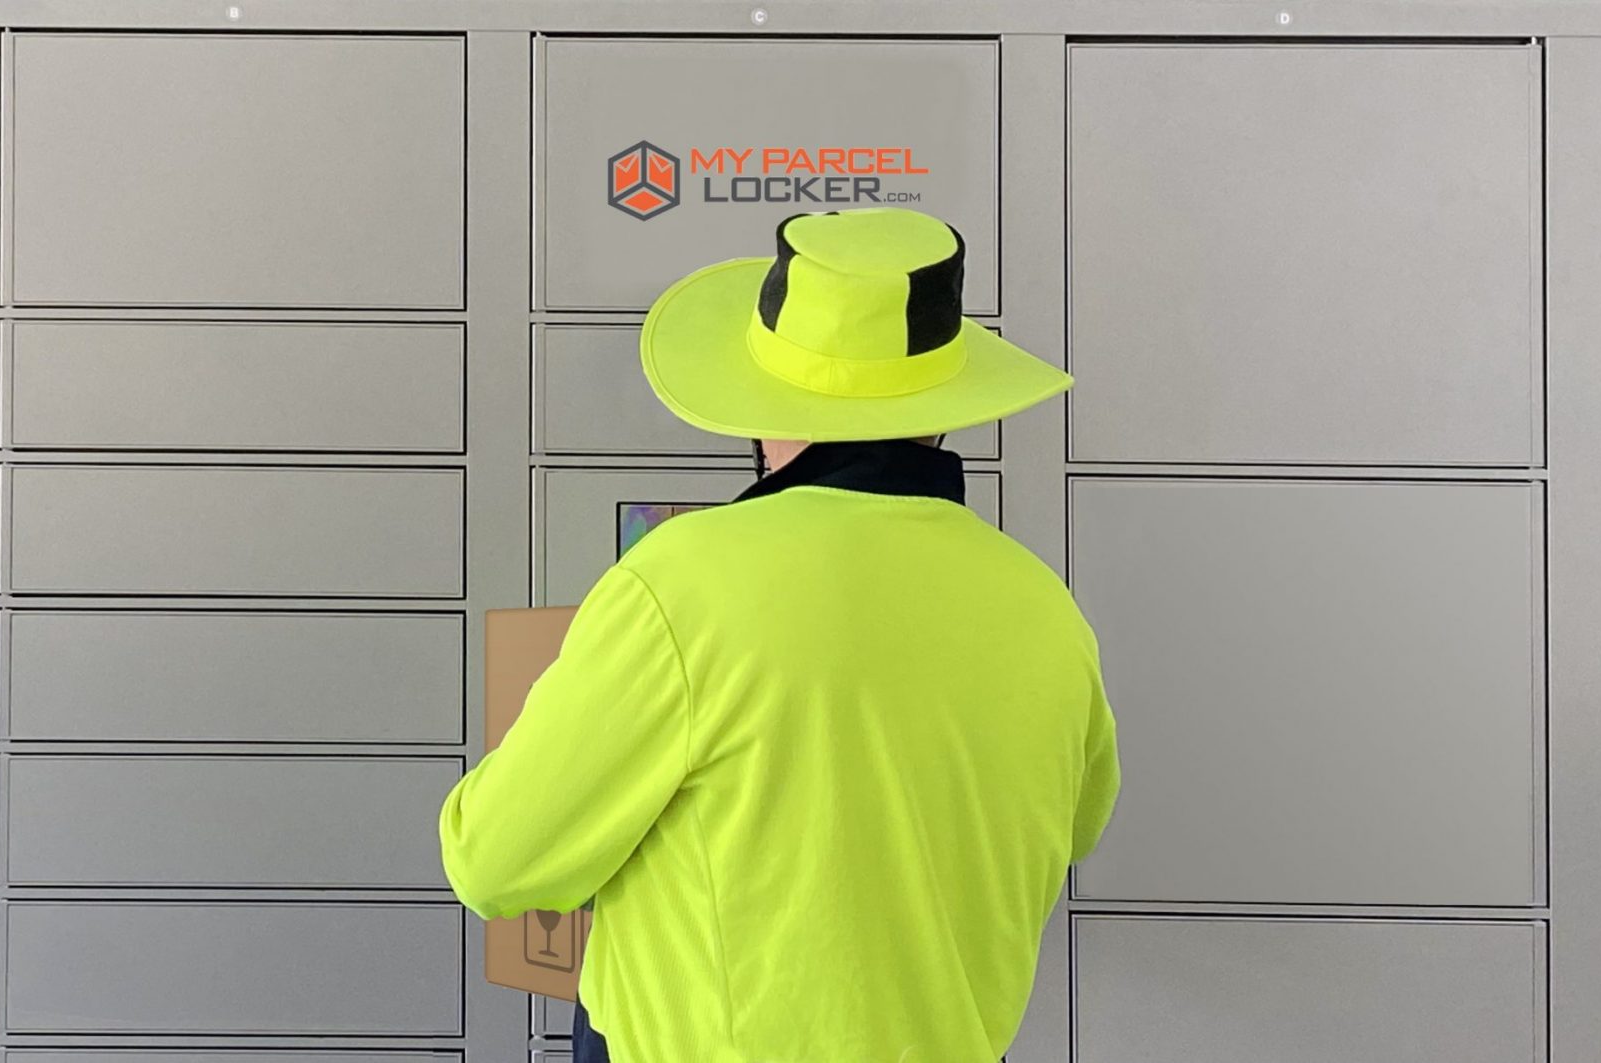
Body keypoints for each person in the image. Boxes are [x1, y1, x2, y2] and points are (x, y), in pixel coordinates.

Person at [439, 207, 1121, 1062]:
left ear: (765, 398)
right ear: (942, 403)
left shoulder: (681, 583)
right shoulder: (1045, 608)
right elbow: (1074, 826)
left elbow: (493, 861)